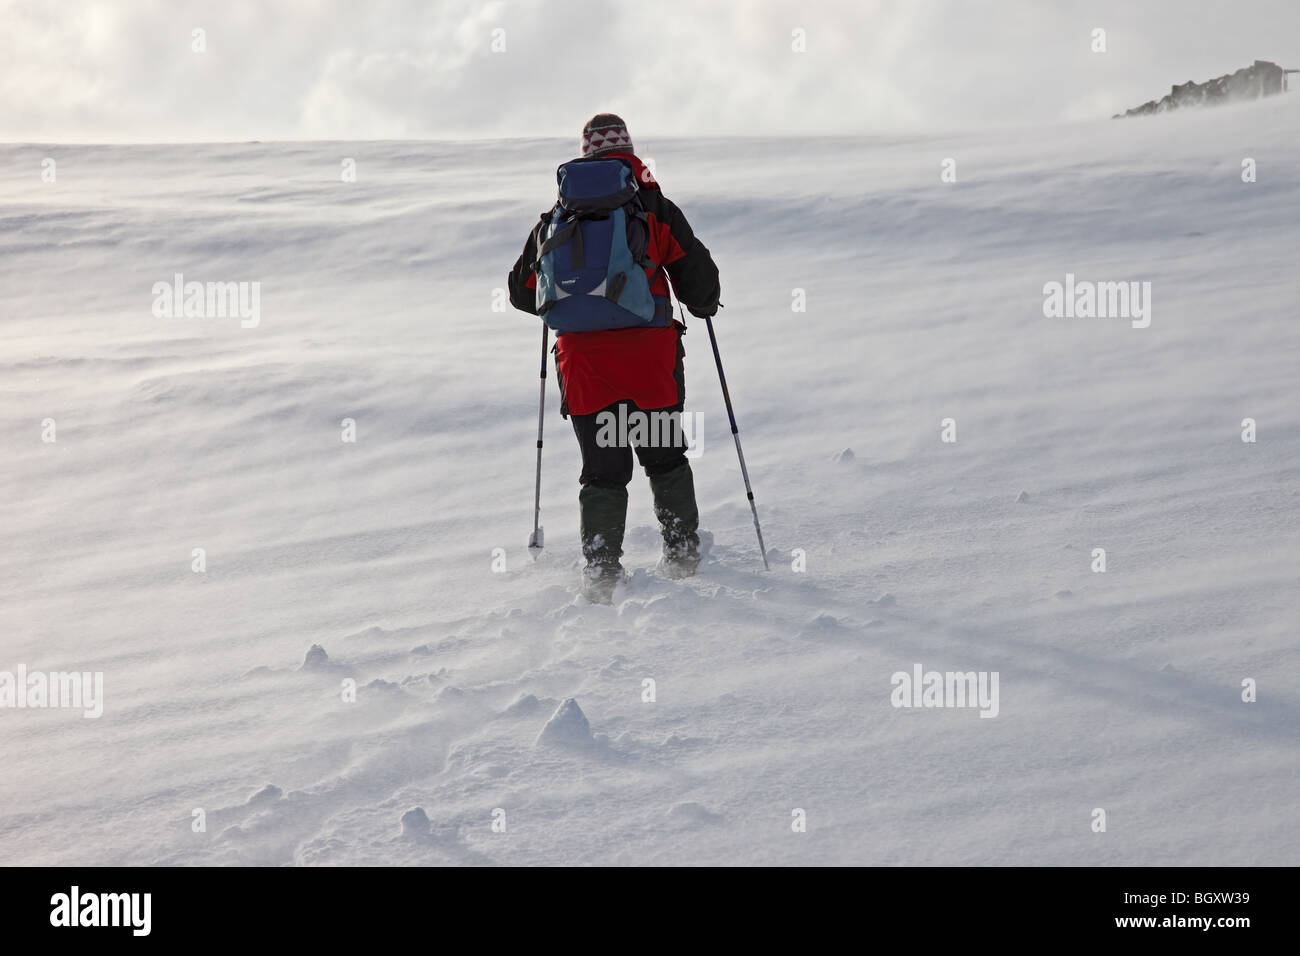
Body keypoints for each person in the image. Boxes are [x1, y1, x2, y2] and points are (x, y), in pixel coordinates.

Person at [508, 113, 721, 603]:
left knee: (603, 470)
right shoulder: (652, 207)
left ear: (585, 155)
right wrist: (703, 304)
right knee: (664, 456)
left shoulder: (557, 218)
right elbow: (698, 278)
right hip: (649, 363)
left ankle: (602, 567)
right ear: (628, 152)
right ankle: (684, 552)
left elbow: (522, 293)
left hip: (585, 368)